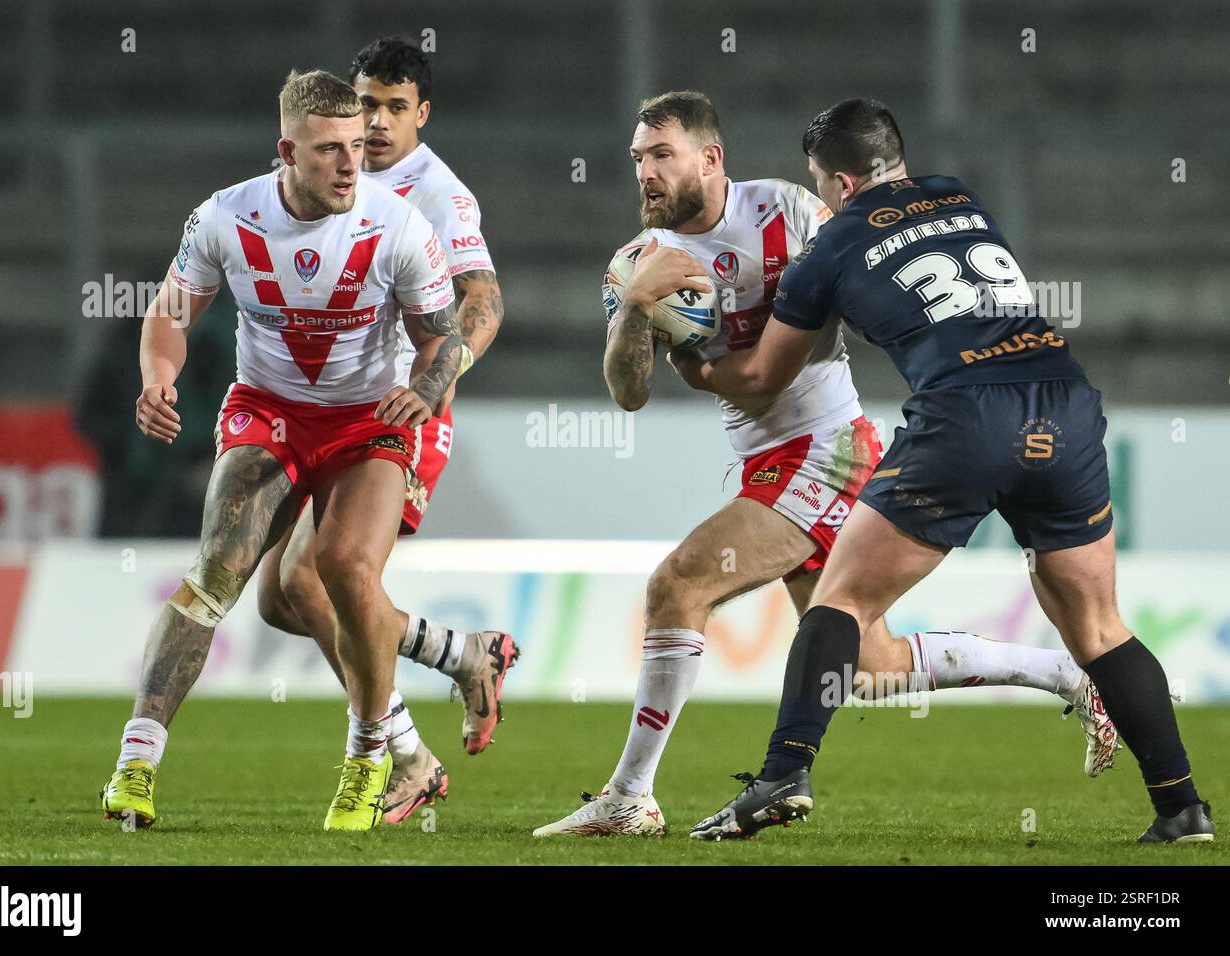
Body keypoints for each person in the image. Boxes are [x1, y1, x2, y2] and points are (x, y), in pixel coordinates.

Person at [534, 91, 1114, 839]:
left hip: (827, 447)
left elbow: (863, 273)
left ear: (709, 158)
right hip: (765, 461)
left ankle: (628, 798)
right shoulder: (640, 264)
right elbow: (629, 394)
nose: (643, 172)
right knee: (866, 665)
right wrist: (632, 313)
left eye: (660, 155)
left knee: (678, 585)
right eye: (637, 159)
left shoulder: (787, 211)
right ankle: (1066, 674)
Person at [683, 98, 1212, 845]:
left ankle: (783, 775)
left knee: (839, 603)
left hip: (966, 416)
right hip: (1064, 404)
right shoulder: (961, 196)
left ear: (838, 180)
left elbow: (764, 377)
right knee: (1097, 626)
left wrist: (694, 358)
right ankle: (1182, 807)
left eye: (820, 180)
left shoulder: (830, 247)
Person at [99, 69, 463, 833]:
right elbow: (171, 311)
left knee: (342, 568)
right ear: (285, 152)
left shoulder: (398, 227)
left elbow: (444, 338)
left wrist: (426, 391)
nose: (348, 164)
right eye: (329, 149)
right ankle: (136, 761)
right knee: (216, 577)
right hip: (270, 415)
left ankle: (368, 759)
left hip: (370, 419)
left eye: (358, 148)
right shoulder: (228, 217)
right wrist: (158, 378)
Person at [255, 37, 515, 827]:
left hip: (399, 414)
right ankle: (457, 656)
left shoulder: (438, 193)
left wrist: (432, 384)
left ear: (420, 114)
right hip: (325, 410)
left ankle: (399, 755)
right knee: (277, 597)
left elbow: (483, 302)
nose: (374, 121)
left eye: (394, 107)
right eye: (366, 102)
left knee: (316, 577)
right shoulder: (336, 173)